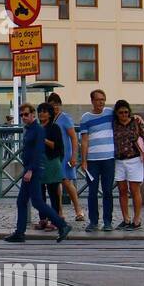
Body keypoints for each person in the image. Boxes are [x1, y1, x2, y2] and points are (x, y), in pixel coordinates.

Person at [5, 103, 70, 243]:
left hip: (33, 170)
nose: (24, 117)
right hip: (29, 169)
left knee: (37, 202)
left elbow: (38, 151)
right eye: (21, 115)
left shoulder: (38, 129)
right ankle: (20, 232)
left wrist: (30, 170)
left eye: (26, 114)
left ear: (32, 114)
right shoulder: (28, 129)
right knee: (22, 201)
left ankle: (62, 225)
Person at [78, 89, 116, 232]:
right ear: (92, 101)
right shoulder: (86, 118)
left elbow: (125, 117)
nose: (101, 102)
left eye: (103, 99)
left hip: (108, 159)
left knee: (107, 191)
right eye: (98, 99)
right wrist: (84, 160)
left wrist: (138, 117)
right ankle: (93, 221)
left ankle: (108, 221)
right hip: (92, 160)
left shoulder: (110, 113)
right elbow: (85, 140)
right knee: (92, 191)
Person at [112, 99, 144, 231]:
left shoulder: (136, 122)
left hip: (134, 160)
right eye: (121, 113)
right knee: (122, 190)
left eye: (126, 112)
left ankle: (137, 219)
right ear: (116, 113)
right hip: (119, 160)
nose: (124, 115)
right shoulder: (114, 124)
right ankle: (126, 219)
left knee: (135, 190)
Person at [48, 93, 86, 223]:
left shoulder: (65, 118)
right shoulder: (49, 119)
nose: (55, 107)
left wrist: (74, 156)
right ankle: (59, 212)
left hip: (65, 155)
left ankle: (78, 210)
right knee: (55, 184)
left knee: (67, 182)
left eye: (57, 105)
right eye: (53, 105)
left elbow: (74, 138)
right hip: (54, 155)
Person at [38, 103, 65, 216]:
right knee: (40, 193)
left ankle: (55, 218)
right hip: (39, 162)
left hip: (52, 161)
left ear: (49, 114)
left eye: (44, 111)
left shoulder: (54, 127)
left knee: (53, 192)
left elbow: (57, 146)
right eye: (39, 111)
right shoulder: (37, 127)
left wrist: (43, 140)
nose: (41, 114)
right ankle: (43, 218)